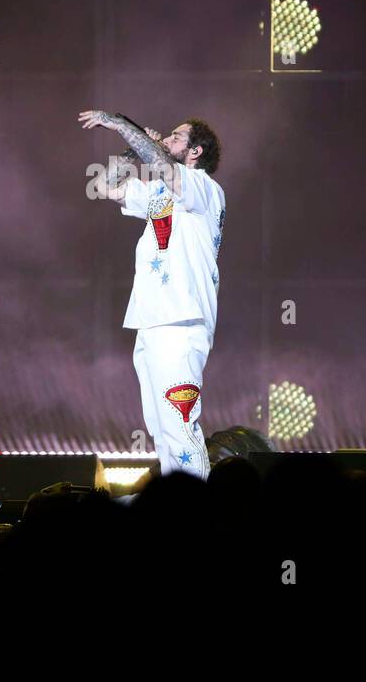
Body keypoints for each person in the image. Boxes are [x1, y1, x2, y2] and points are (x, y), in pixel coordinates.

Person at [79, 109, 225, 480]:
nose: (169, 139)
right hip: (152, 320)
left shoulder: (202, 187)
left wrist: (122, 126)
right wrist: (132, 149)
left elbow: (163, 165)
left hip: (181, 321)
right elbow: (105, 187)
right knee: (161, 430)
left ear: (195, 151)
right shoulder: (161, 190)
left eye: (178, 136)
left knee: (180, 425)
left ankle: (199, 512)